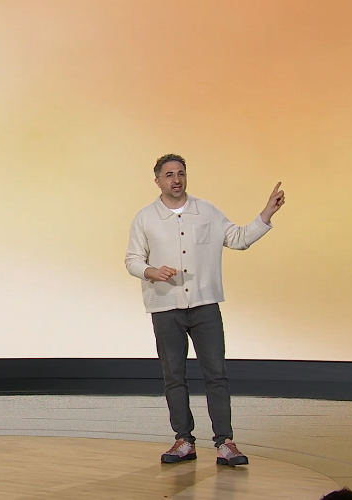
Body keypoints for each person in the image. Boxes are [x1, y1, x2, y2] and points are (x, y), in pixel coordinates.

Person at [124, 153, 285, 466]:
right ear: (157, 181)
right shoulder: (145, 218)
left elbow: (238, 238)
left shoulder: (207, 211)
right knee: (174, 377)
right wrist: (152, 271)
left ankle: (225, 442)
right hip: (166, 306)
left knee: (217, 375)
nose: (176, 180)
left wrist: (266, 213)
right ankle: (184, 440)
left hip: (204, 305)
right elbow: (132, 259)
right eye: (169, 174)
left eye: (180, 173)